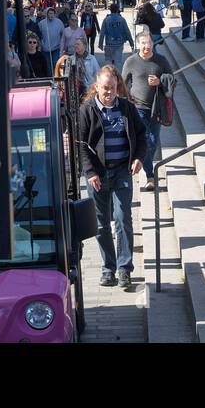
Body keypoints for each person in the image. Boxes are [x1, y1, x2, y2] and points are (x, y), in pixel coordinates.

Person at [77, 66, 146, 289]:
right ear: (97, 87)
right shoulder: (87, 110)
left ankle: (125, 269)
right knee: (101, 224)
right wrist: (90, 172)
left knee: (123, 218)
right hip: (98, 175)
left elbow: (142, 135)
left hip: (121, 172)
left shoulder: (126, 108)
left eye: (113, 88)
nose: (109, 93)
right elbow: (82, 146)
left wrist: (138, 158)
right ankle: (109, 268)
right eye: (105, 88)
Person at [122, 31, 175, 192]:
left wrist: (160, 81)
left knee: (152, 140)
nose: (147, 46)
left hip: (156, 107)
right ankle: (150, 175)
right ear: (138, 44)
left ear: (153, 43)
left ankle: (144, 164)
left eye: (149, 42)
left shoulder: (161, 60)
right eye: (143, 43)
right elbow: (123, 83)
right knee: (144, 139)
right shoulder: (131, 61)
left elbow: (172, 79)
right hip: (138, 108)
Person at [99, 2, 133, 70]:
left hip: (109, 43)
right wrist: (131, 42)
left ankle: (109, 76)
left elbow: (102, 33)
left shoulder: (106, 20)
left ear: (110, 10)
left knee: (108, 61)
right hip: (119, 43)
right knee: (118, 62)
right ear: (117, 10)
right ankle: (117, 78)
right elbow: (127, 31)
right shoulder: (122, 19)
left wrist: (100, 44)